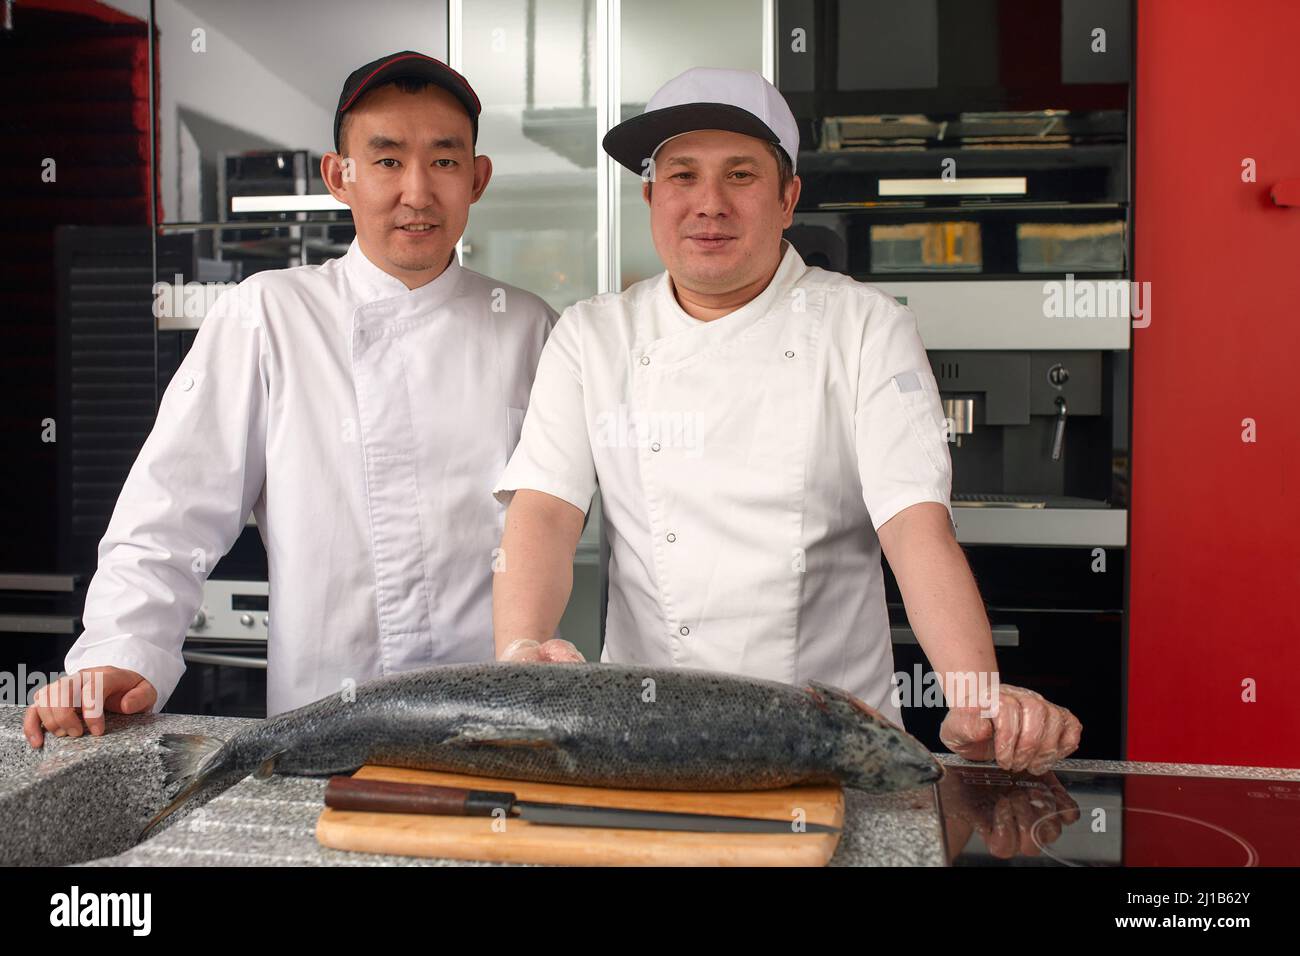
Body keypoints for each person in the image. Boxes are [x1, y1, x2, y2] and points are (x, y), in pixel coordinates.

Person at [491, 68, 1080, 775]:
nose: (709, 204)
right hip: (645, 742)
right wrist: (521, 650)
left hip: (832, 747)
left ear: (788, 197)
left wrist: (975, 695)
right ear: (651, 196)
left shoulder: (866, 327)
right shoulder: (594, 336)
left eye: (740, 175)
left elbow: (913, 526)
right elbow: (545, 512)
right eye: (682, 176)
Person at [26, 51, 556, 746]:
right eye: (388, 160)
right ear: (341, 176)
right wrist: (121, 653)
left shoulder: (530, 327)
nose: (418, 192)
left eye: (445, 161)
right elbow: (170, 515)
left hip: (497, 728)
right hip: (318, 727)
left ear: (477, 178)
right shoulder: (268, 314)